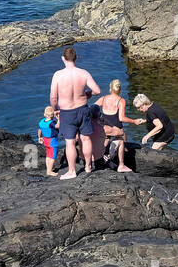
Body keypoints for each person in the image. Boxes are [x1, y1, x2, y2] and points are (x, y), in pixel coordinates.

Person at [50, 46, 101, 179]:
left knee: (70, 142)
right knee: (86, 138)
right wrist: (87, 95)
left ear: (63, 58)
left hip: (67, 112)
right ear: (76, 58)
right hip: (83, 109)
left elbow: (53, 97)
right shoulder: (83, 73)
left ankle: (72, 171)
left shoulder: (58, 75)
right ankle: (88, 166)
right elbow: (97, 91)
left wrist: (55, 109)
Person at [97, 80, 136, 172]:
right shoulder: (121, 100)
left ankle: (104, 158)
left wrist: (98, 120)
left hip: (105, 127)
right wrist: (134, 121)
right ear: (119, 89)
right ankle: (121, 165)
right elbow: (121, 118)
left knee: (106, 141)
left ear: (110, 88)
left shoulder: (103, 98)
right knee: (121, 141)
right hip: (116, 127)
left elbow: (92, 109)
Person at [38, 106, 60, 176]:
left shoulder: (41, 122)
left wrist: (40, 137)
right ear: (53, 115)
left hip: (46, 140)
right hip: (52, 141)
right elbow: (57, 126)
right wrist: (59, 119)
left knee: (48, 155)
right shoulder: (52, 123)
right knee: (53, 156)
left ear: (44, 114)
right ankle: (49, 171)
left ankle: (48, 169)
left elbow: (39, 130)